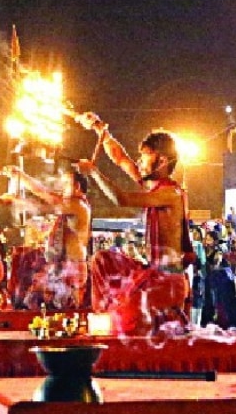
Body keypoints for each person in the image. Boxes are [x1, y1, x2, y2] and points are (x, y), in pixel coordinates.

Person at [74, 113, 193, 333]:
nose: (139, 162)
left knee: (124, 322)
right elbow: (121, 159)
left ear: (162, 161)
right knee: (101, 260)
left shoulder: (171, 193)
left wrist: (93, 173)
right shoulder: (153, 186)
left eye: (145, 156)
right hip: (152, 274)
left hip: (167, 282)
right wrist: (101, 130)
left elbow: (122, 199)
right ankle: (104, 316)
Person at [8, 165, 91, 308]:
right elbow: (43, 193)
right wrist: (20, 176)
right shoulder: (70, 205)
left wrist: (18, 198)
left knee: (63, 309)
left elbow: (46, 200)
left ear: (77, 187)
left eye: (66, 184)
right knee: (34, 301)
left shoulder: (78, 205)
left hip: (72, 267)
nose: (62, 188)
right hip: (60, 266)